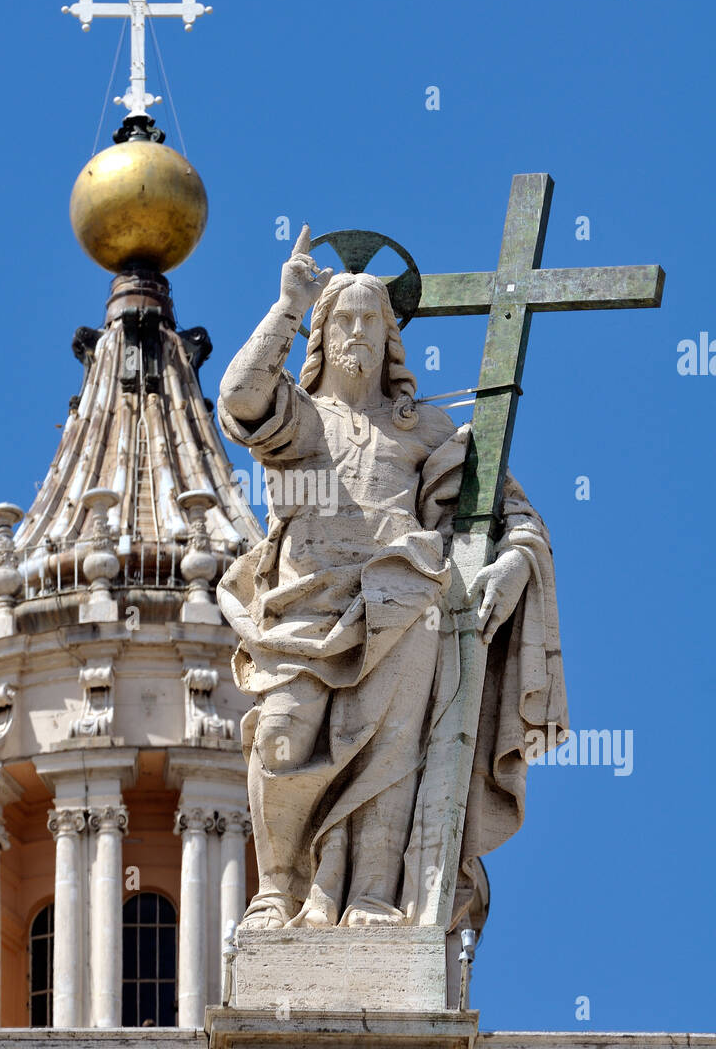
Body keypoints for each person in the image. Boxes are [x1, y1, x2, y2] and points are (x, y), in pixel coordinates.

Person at [217, 227, 568, 930]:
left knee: (388, 753)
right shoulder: (300, 416)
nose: (356, 331)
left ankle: (372, 894)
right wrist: (287, 306)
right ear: (320, 333)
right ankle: (278, 894)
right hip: (303, 599)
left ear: (390, 337)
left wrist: (510, 564)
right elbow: (239, 399)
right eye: (341, 318)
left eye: (370, 320)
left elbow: (514, 514)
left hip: (402, 599)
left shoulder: (425, 428)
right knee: (281, 736)